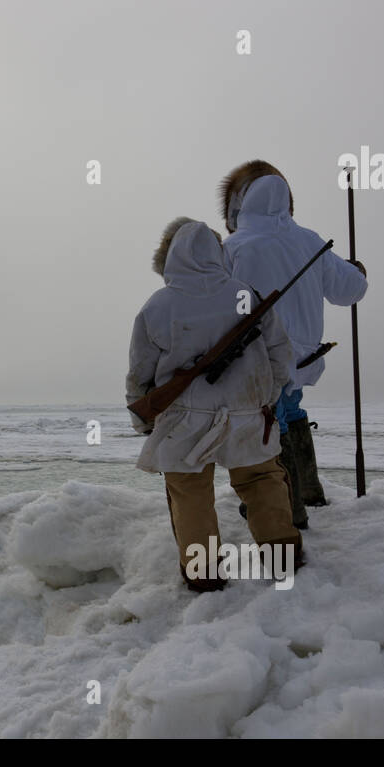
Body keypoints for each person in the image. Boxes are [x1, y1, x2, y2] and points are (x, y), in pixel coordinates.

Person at [126, 217, 302, 592]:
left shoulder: (158, 305)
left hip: (184, 419)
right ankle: (282, 557)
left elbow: (140, 372)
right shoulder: (246, 294)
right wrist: (265, 397)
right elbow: (280, 355)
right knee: (261, 481)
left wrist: (142, 417)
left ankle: (204, 575)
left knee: (190, 493)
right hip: (247, 413)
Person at [220, 165, 369, 528]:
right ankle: (308, 492)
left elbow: (219, 301)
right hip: (303, 356)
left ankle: (285, 508)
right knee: (291, 411)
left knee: (272, 423)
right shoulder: (310, 241)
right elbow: (350, 292)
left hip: (260, 356)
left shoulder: (236, 246)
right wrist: (357, 271)